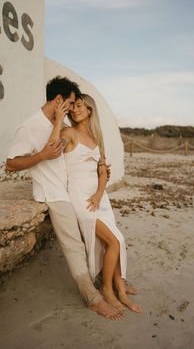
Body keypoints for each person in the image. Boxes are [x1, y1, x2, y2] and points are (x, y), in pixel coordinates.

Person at [6, 76, 124, 320]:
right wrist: (41, 156)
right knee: (74, 243)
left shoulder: (59, 123)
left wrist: (99, 173)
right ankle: (92, 298)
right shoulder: (30, 126)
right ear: (59, 100)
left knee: (98, 236)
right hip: (53, 192)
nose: (73, 108)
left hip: (70, 189)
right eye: (71, 103)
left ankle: (110, 280)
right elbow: (10, 164)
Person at [50, 93, 142, 313]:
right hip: (81, 198)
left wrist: (100, 193)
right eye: (73, 108)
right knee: (114, 241)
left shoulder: (95, 137)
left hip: (99, 198)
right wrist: (57, 121)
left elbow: (102, 171)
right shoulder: (68, 132)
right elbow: (51, 148)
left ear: (90, 109)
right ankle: (107, 289)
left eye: (80, 106)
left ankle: (120, 287)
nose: (75, 110)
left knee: (116, 239)